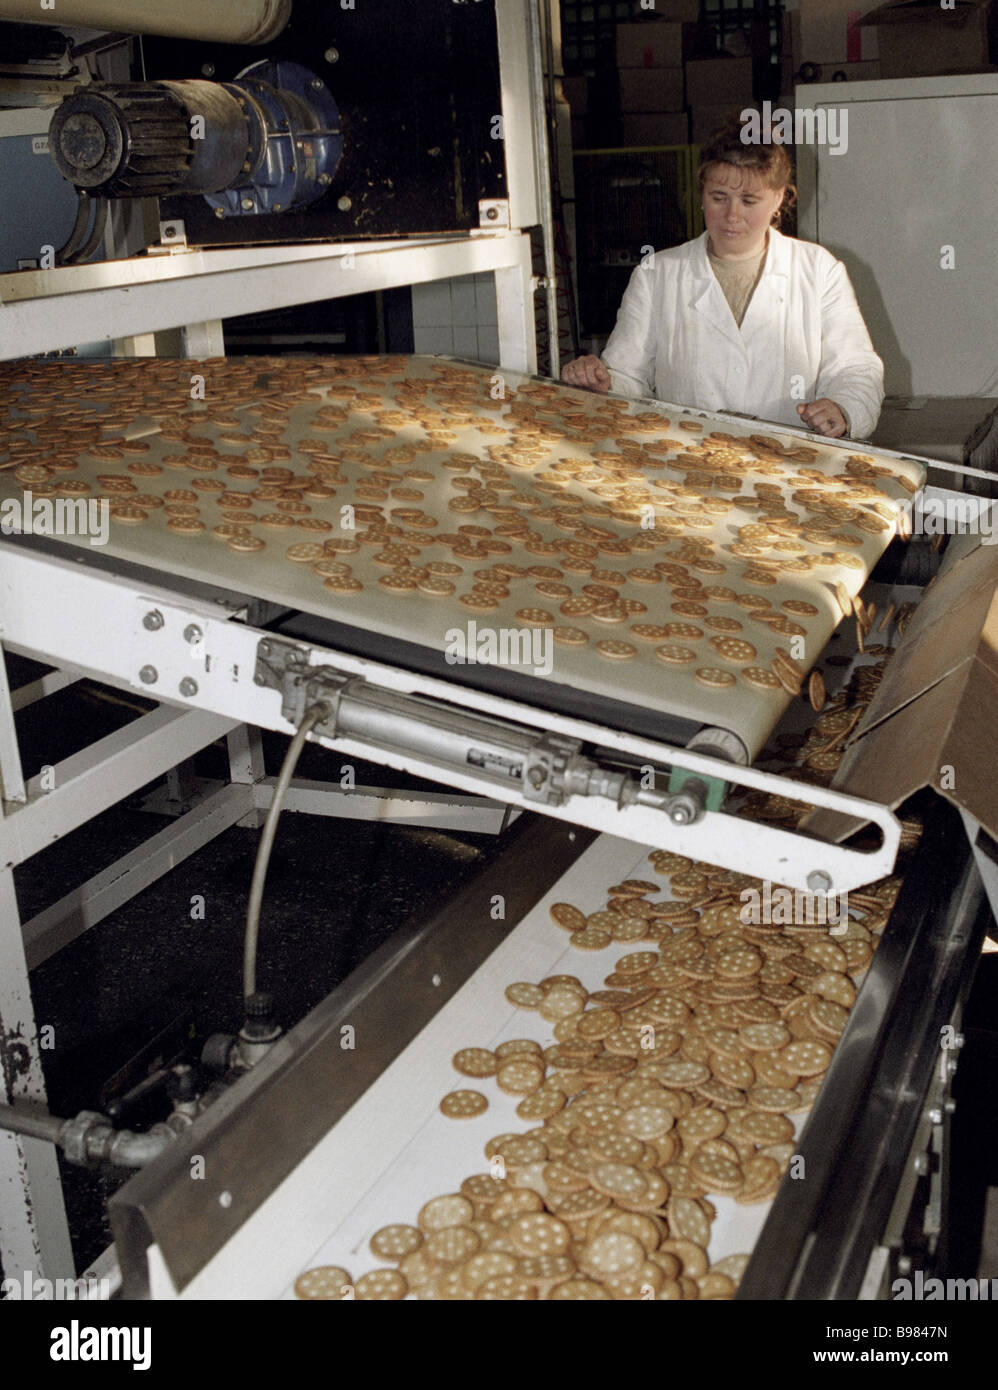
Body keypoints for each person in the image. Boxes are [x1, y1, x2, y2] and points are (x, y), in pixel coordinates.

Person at [562, 116, 884, 440]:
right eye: (719, 197)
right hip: (685, 467)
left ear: (779, 199)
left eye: (749, 200)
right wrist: (603, 384)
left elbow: (855, 368)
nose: (732, 216)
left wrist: (843, 408)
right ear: (702, 194)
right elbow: (626, 377)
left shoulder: (819, 271)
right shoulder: (655, 275)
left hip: (789, 469)